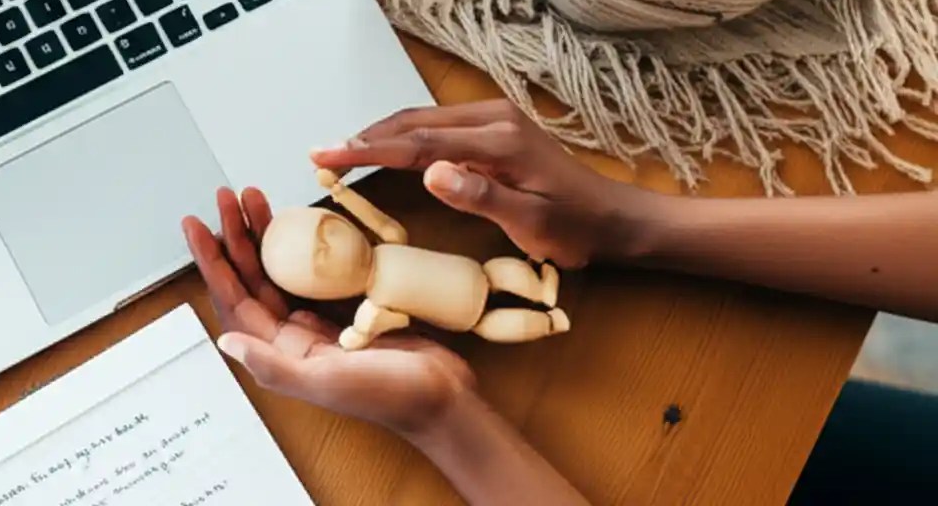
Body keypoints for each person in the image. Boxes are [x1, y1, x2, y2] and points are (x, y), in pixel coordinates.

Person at [179, 99, 938, 505]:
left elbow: (376, 227)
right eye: (318, 257)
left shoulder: (381, 250)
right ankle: (543, 302)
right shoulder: (374, 287)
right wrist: (626, 223)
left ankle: (542, 302)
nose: (324, 245)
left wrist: (443, 417)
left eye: (318, 231)